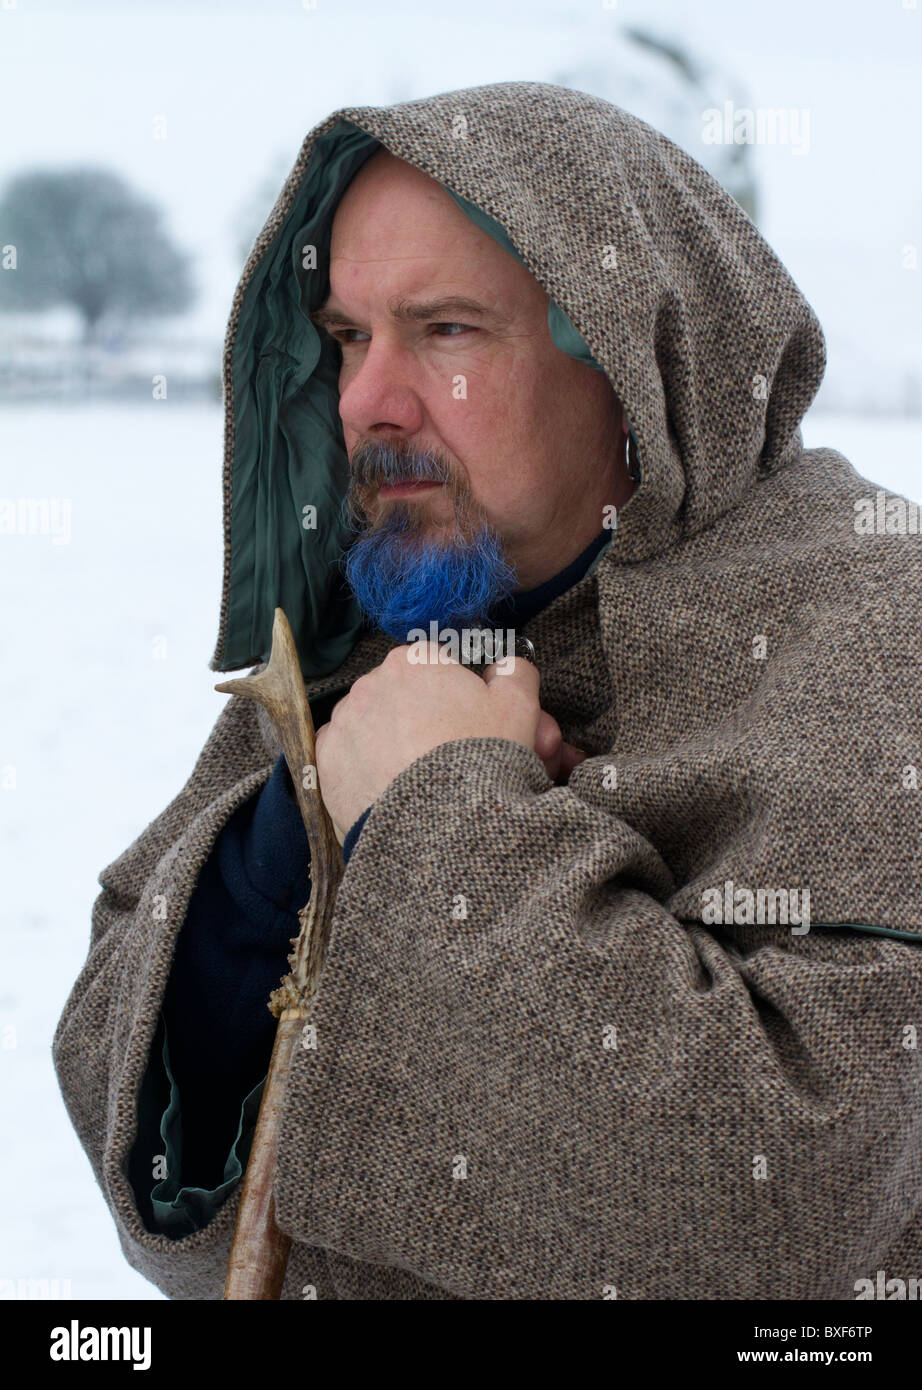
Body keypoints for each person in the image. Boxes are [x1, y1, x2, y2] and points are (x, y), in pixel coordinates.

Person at [53, 81, 922, 1301]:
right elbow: (130, 1121)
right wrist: (273, 857)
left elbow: (778, 1198)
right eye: (349, 336)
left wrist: (434, 804)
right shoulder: (367, 632)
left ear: (634, 359)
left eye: (446, 331)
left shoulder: (876, 626)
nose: (364, 399)